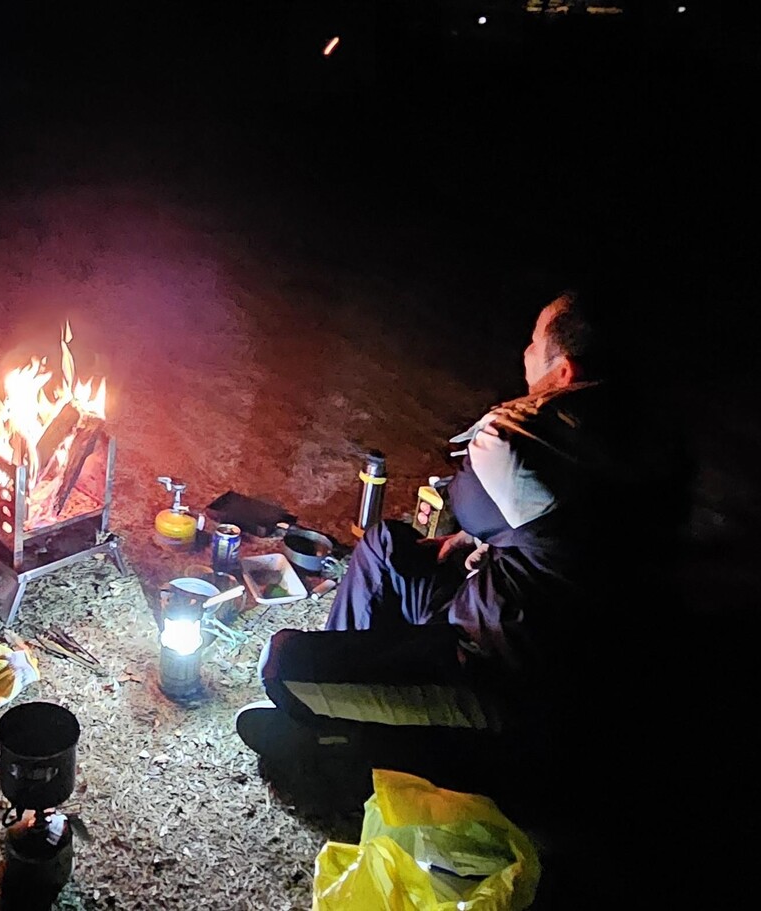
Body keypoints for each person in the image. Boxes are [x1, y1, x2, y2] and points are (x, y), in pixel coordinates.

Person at [239, 290, 689, 785]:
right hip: (514, 617)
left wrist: (477, 527)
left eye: (535, 341)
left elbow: (473, 494)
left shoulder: (517, 442)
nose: (525, 351)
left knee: (283, 662)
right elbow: (546, 533)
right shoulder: (652, 447)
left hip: (494, 670)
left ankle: (346, 738)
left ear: (565, 373)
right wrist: (479, 541)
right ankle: (353, 688)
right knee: (387, 544)